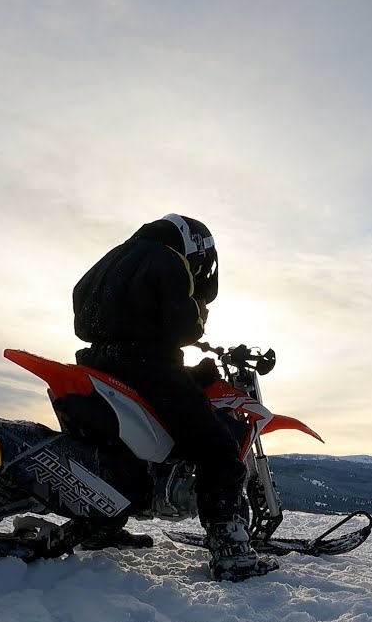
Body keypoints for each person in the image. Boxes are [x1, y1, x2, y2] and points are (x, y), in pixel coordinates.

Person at [72, 212, 279, 581]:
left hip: (97, 364)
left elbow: (118, 320)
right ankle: (231, 550)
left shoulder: (114, 259)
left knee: (114, 452)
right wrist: (197, 315)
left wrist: (190, 374)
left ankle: (100, 523)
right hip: (145, 366)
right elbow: (181, 329)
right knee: (218, 449)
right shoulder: (169, 258)